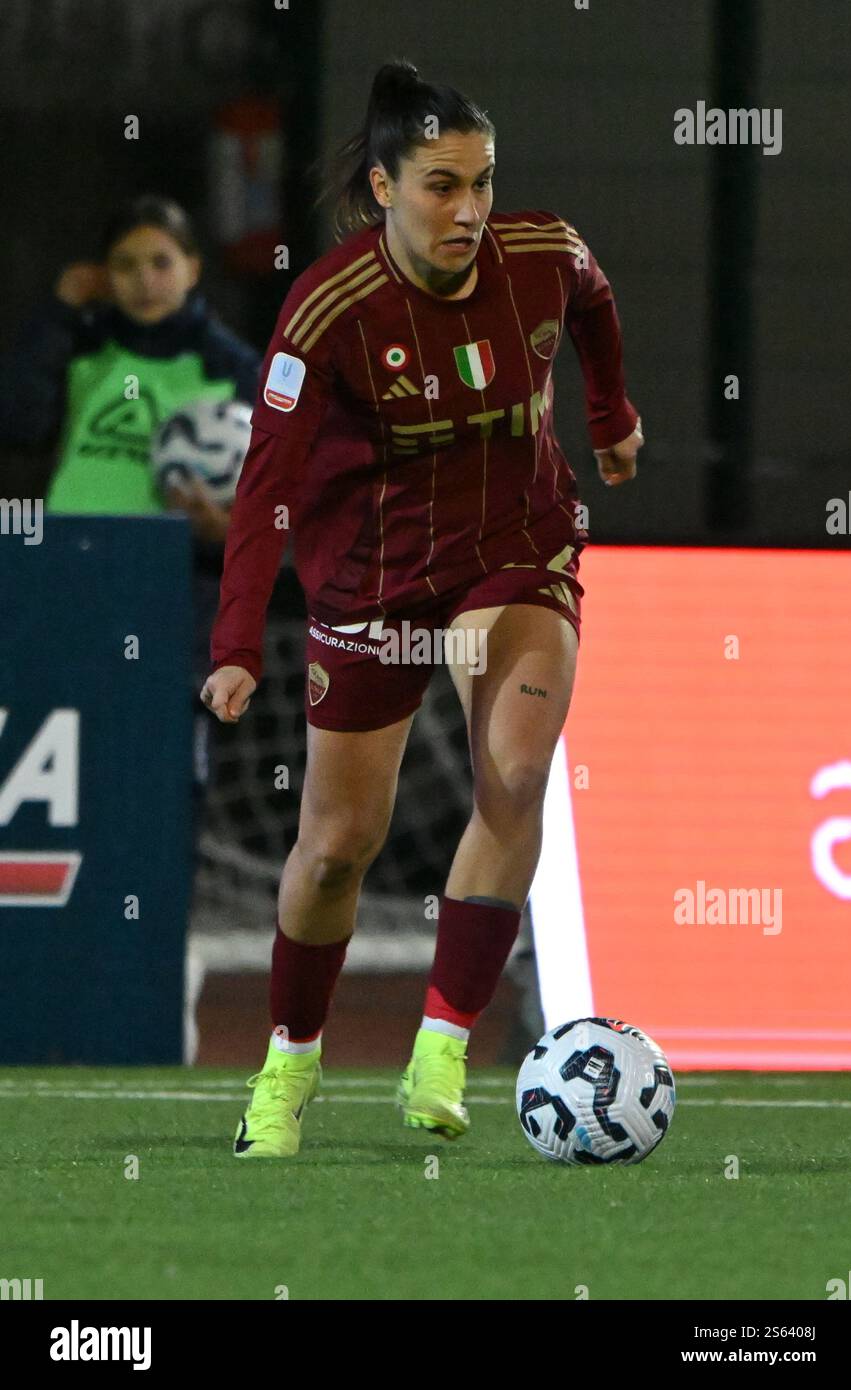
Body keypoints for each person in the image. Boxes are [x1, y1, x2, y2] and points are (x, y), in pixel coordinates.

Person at [201, 62, 643, 1159]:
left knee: (518, 772)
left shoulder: (540, 254)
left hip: (516, 550)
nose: (469, 210)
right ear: (382, 188)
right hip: (377, 580)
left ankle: (440, 1047)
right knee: (338, 845)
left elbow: (592, 300)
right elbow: (266, 483)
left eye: (482, 183)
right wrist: (236, 641)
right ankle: (290, 1061)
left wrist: (611, 414)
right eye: (441, 186)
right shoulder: (329, 310)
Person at [0, 194, 261, 846]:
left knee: (163, 762)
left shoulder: (232, 369)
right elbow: (18, 424)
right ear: (103, 274)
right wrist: (58, 311)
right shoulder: (81, 342)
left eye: (160, 262)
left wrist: (222, 532)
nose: (144, 280)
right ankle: (74, 922)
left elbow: (280, 505)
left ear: (193, 268)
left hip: (172, 592)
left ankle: (162, 929)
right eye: (125, 265)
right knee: (64, 746)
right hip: (68, 577)